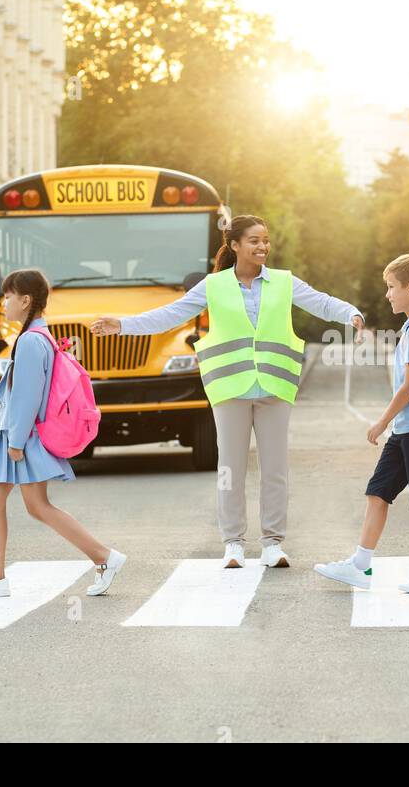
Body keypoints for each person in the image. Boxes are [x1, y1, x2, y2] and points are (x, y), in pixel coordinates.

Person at [91, 215, 364, 569]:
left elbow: (321, 302)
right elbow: (170, 316)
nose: (262, 246)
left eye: (265, 239)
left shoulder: (284, 282)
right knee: (229, 469)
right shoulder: (213, 286)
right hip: (229, 388)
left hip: (274, 387)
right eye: (254, 240)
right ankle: (233, 542)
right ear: (234, 245)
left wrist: (350, 314)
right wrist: (122, 325)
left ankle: (272, 543)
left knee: (275, 469)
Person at [0, 267, 126, 598]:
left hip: (22, 436)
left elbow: (28, 396)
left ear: (26, 300)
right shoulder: (37, 336)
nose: (4, 303)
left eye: (7, 296)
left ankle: (105, 557)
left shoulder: (32, 341)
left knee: (35, 505)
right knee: (9, 500)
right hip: (20, 434)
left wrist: (16, 442)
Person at [313, 252, 409, 594]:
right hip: (406, 431)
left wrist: (380, 422)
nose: (387, 294)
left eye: (392, 287)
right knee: (377, 493)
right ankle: (360, 565)